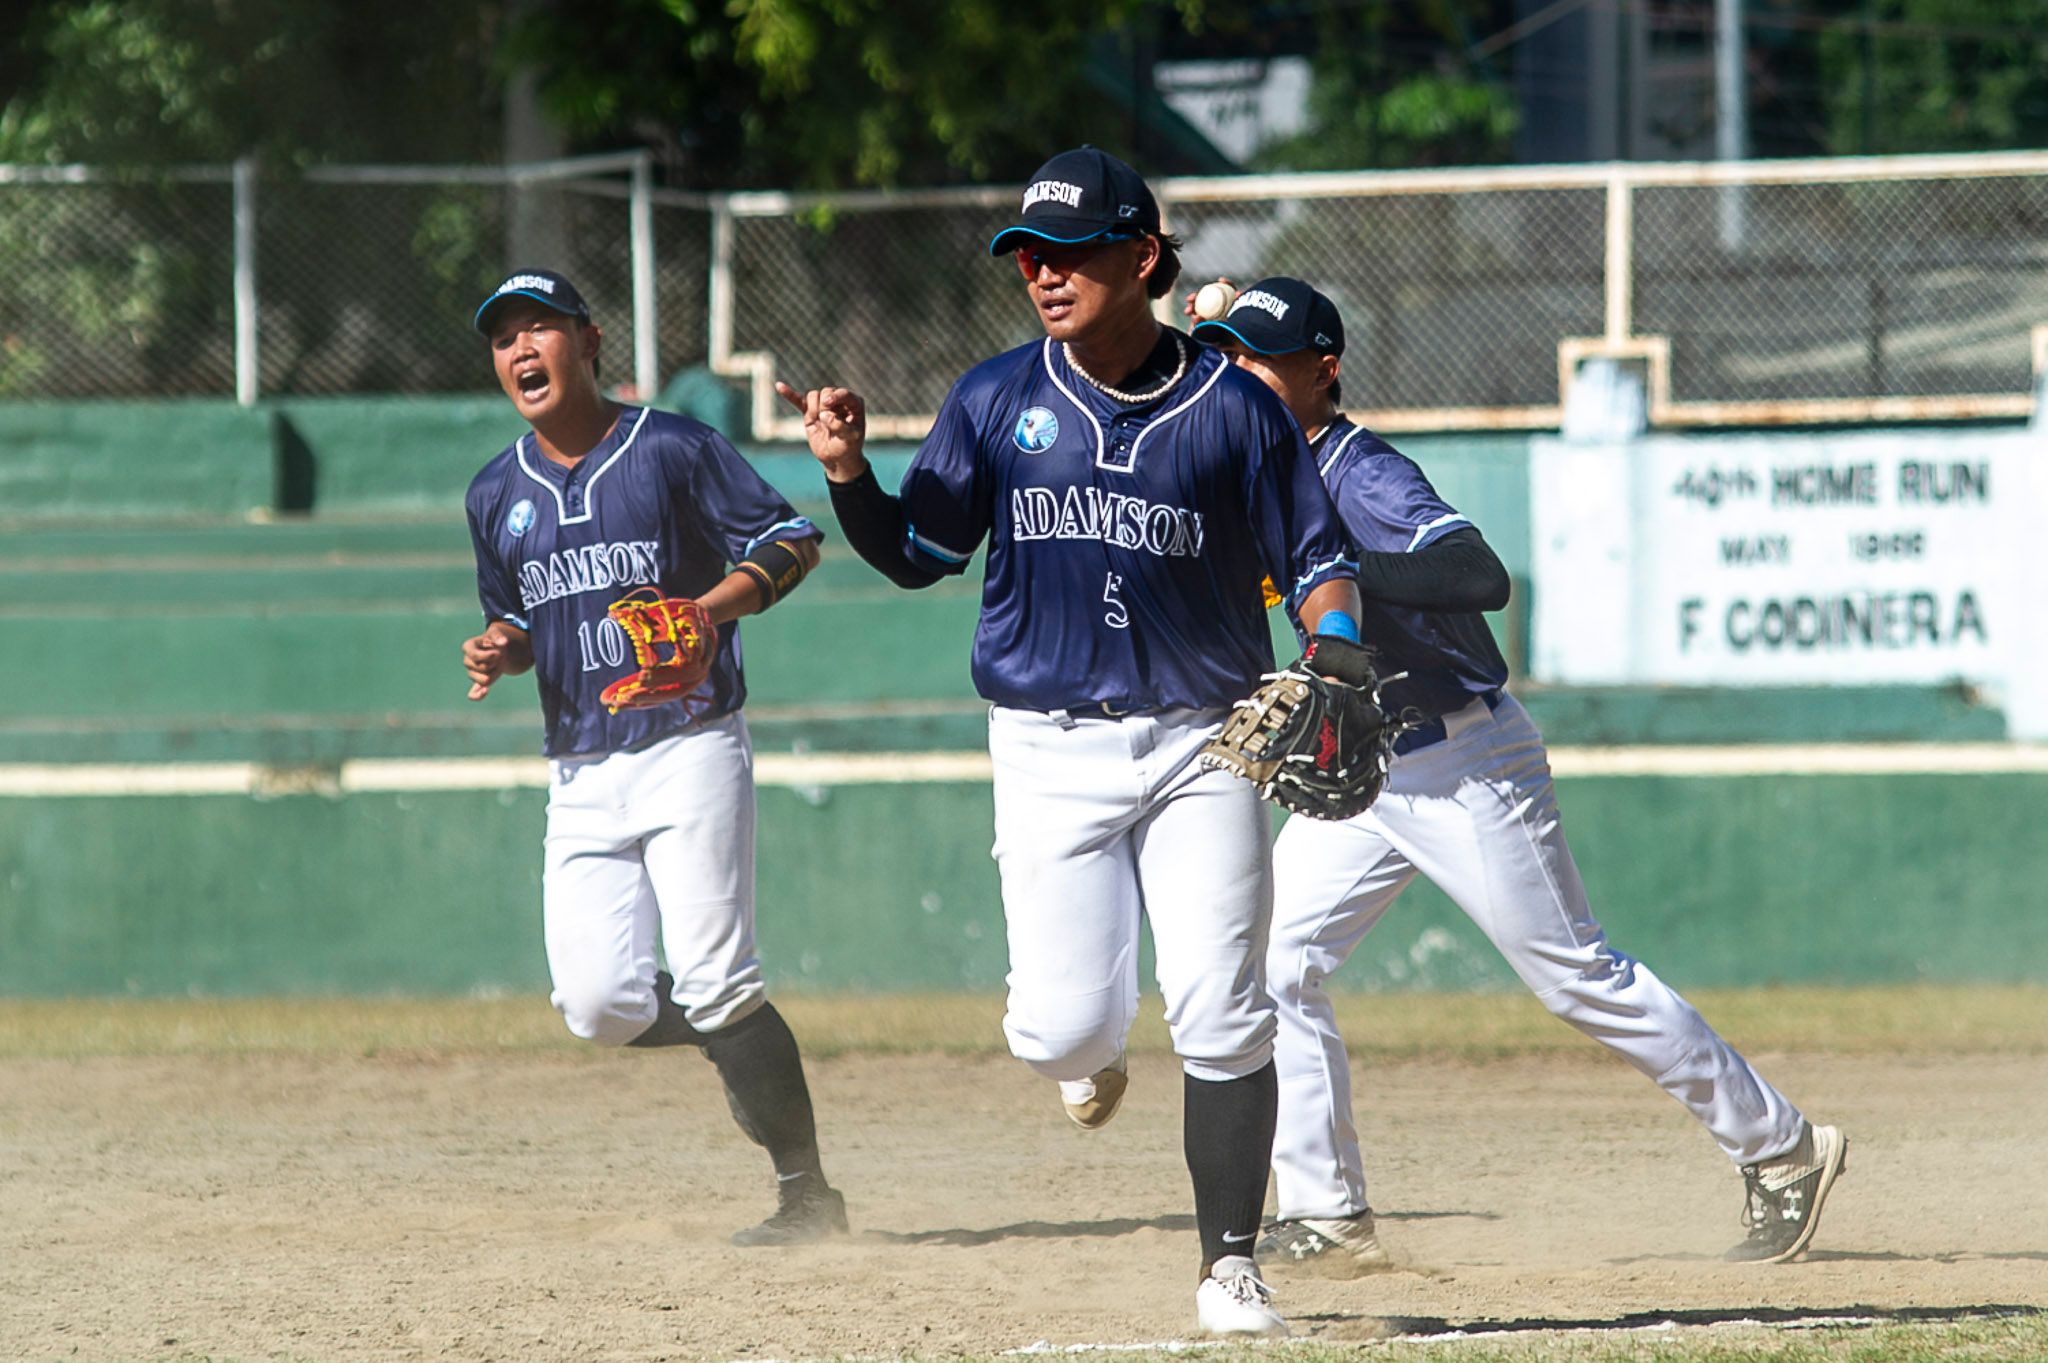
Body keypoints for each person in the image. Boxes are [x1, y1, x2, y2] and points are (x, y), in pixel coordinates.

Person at [778, 148, 1363, 1337]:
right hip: (1044, 746)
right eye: (1027, 256)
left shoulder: (1234, 406)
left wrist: (1336, 650)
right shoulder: (995, 398)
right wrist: (847, 473)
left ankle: (1231, 1266)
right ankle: (1088, 1058)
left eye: (1069, 251)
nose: (1042, 273)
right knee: (1063, 1029)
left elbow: (1318, 560)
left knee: (1221, 1006)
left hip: (1206, 740)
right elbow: (916, 552)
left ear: (1140, 258)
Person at [1187, 276, 1849, 1276]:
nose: (1239, 374)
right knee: (1275, 963)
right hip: (1369, 766)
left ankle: (1782, 1147)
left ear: (1322, 370)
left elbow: (1474, 574)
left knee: (1577, 976)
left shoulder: (1357, 470)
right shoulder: (1264, 466)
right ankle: (1327, 1211)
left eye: (1259, 358)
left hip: (1462, 762)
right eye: (1231, 359)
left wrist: (1344, 569)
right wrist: (1203, 328)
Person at [460, 268, 847, 1246]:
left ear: (588, 342)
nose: (520, 350)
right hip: (580, 762)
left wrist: (707, 611)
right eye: (503, 337)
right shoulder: (495, 491)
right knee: (597, 1005)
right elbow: (515, 607)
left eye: (539, 328)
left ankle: (808, 1196)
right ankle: (730, 1039)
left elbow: (792, 538)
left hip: (689, 742)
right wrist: (504, 644)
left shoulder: (671, 448)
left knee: (717, 974)